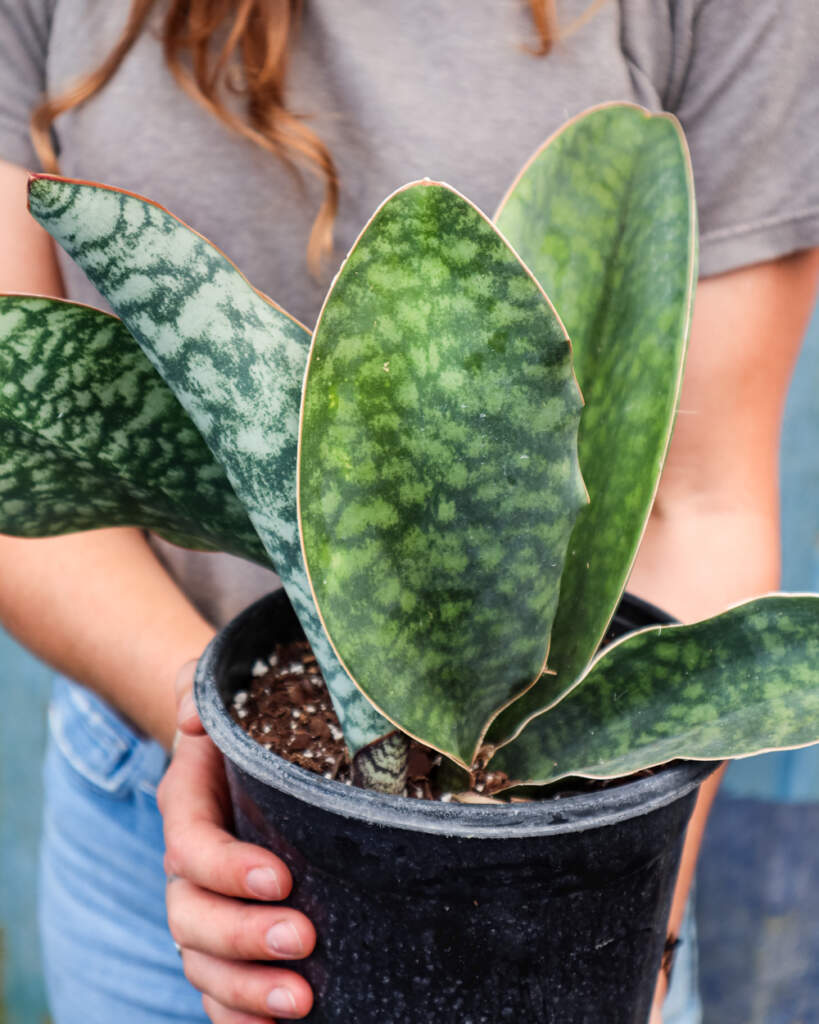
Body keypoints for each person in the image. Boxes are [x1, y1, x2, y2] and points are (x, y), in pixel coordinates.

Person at [1, 2, 818, 1021]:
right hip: (157, 791)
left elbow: (704, 503)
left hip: (568, 862)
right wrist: (209, 745)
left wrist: (631, 926)